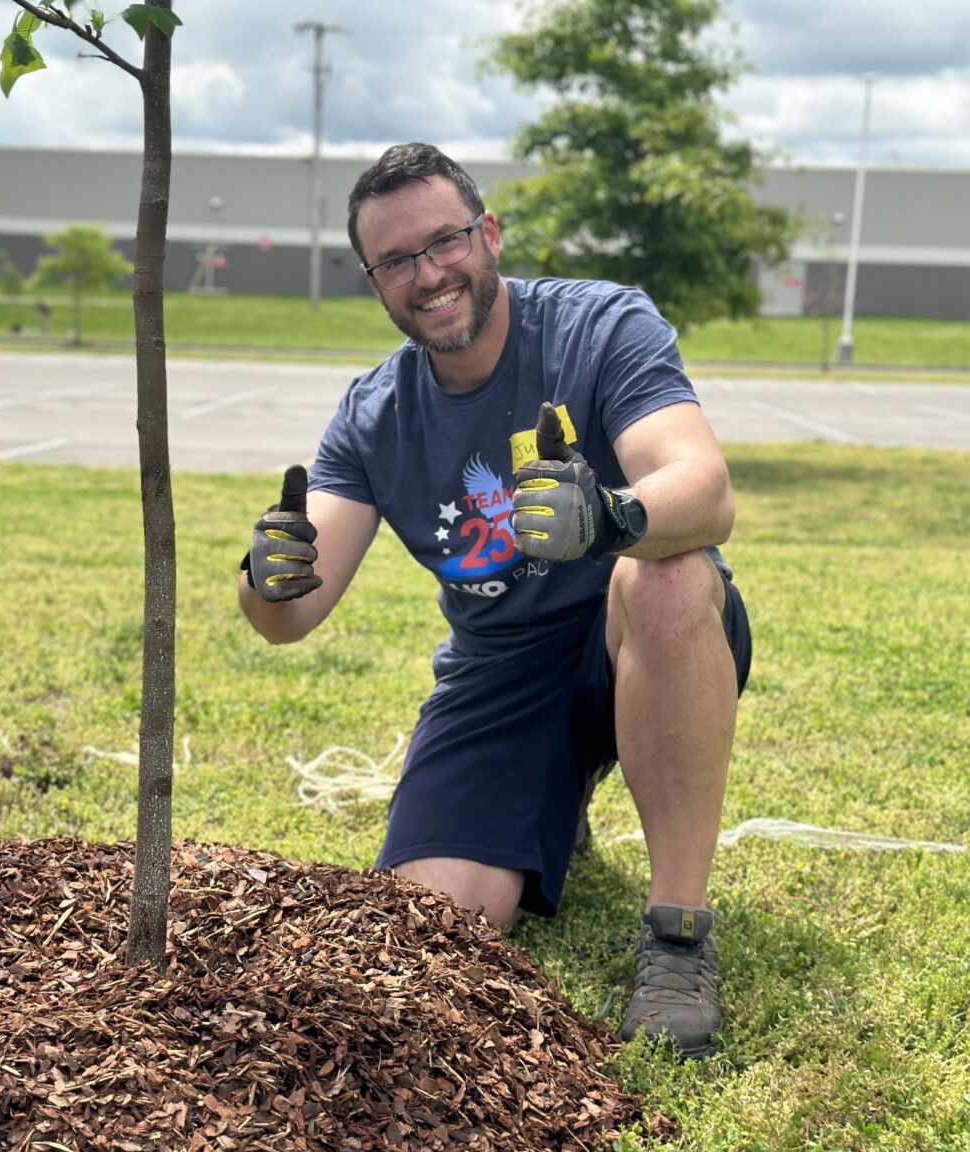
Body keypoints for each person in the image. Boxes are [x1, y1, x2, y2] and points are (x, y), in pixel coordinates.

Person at [238, 143, 751, 1059]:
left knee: (666, 573)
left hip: (635, 633)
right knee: (431, 927)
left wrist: (609, 517)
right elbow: (291, 616)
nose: (430, 273)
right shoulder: (374, 415)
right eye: (397, 260)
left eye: (446, 241)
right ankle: (550, 793)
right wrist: (263, 579)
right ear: (374, 283)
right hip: (501, 674)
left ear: (490, 234)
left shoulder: (600, 326)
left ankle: (678, 934)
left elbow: (706, 491)